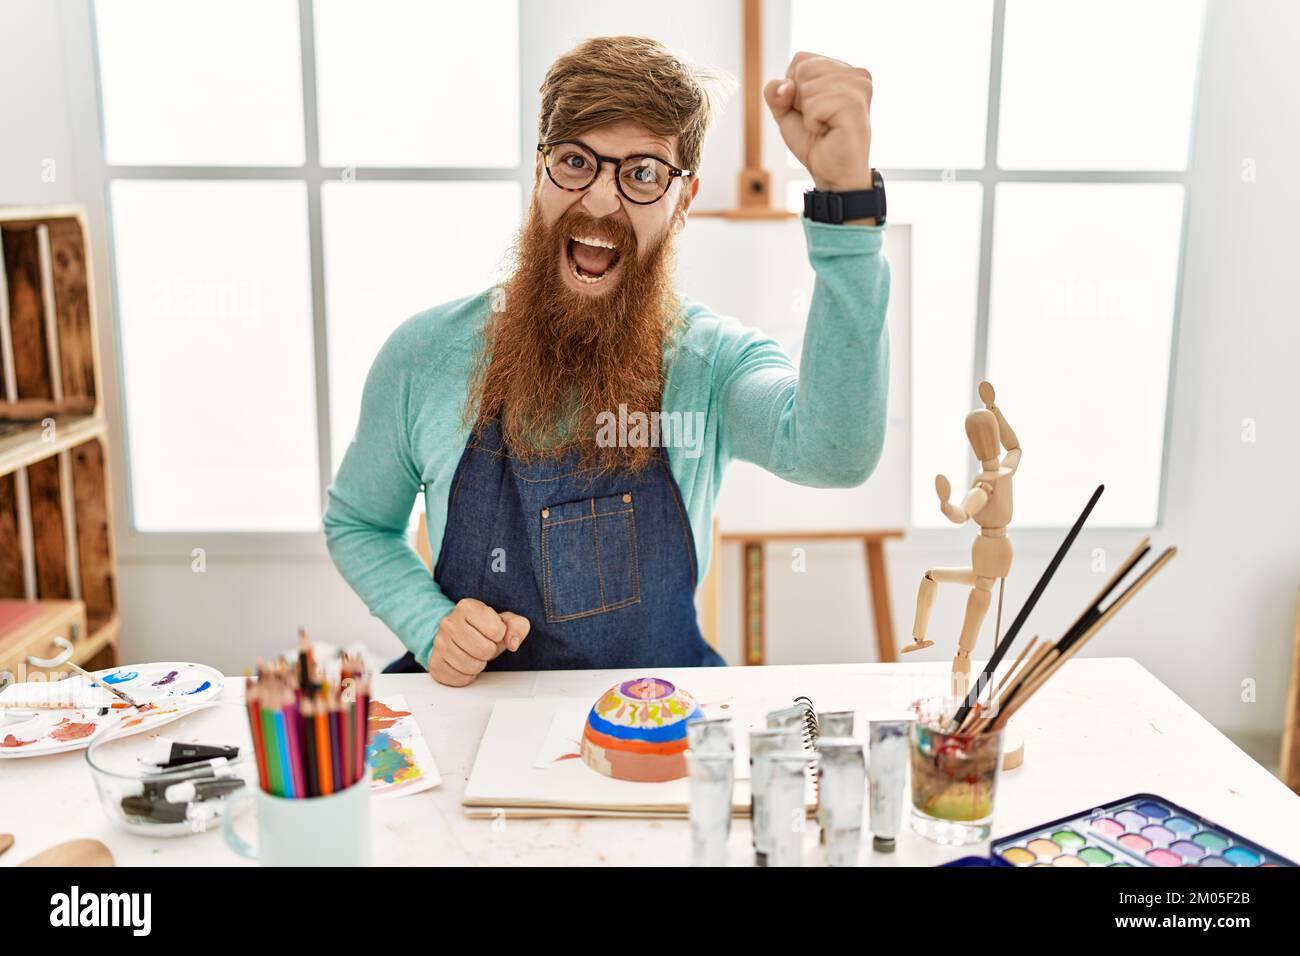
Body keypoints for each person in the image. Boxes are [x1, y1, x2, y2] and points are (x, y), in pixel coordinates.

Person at [324, 36, 890, 685]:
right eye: (574, 161)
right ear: (539, 171)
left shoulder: (712, 365)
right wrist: (429, 624)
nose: (598, 201)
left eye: (643, 173)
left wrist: (847, 207)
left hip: (656, 730)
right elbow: (359, 523)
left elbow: (836, 451)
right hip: (473, 728)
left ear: (684, 202)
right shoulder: (424, 355)